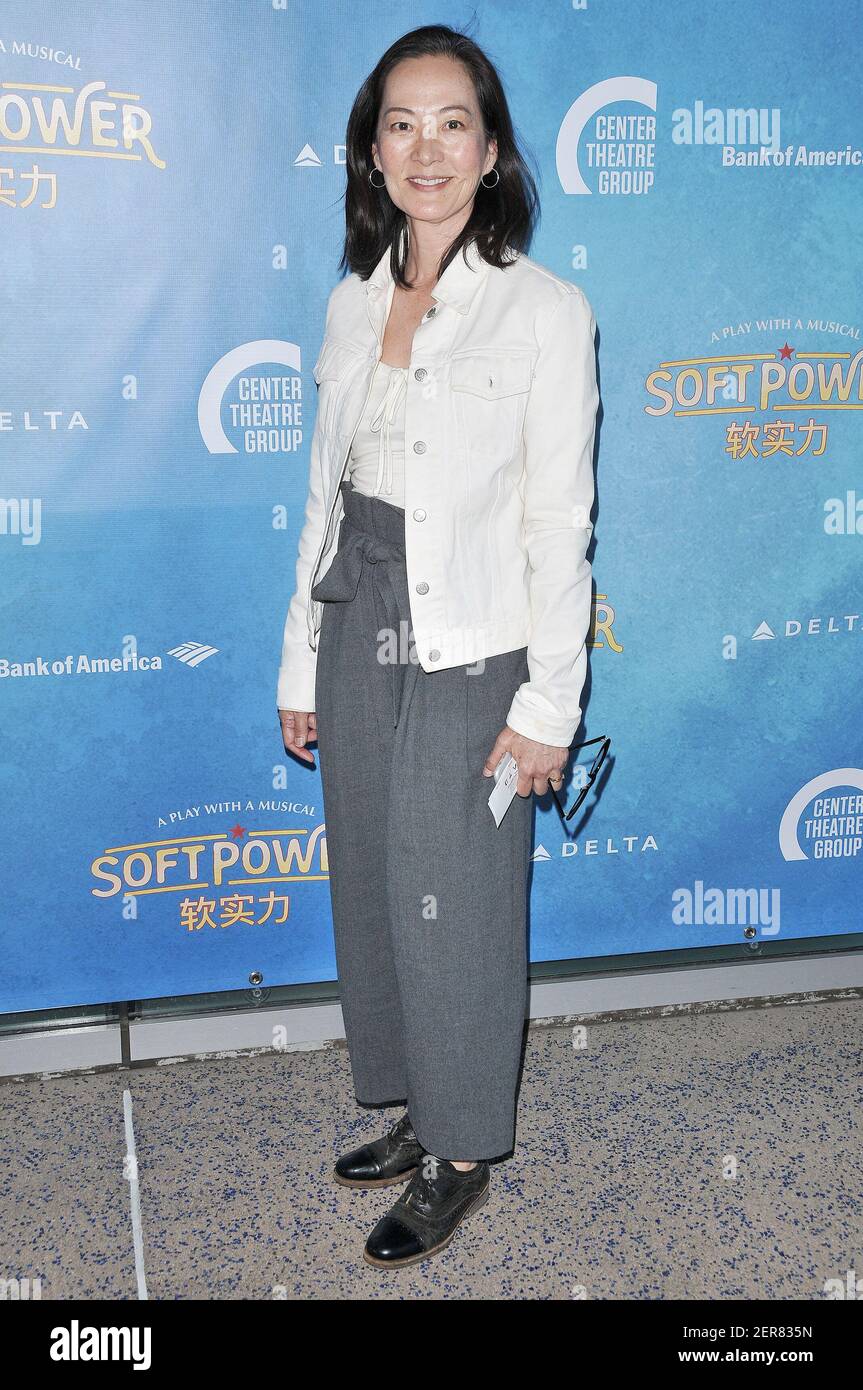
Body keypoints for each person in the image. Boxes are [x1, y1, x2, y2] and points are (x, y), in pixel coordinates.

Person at [277, 23, 600, 1270]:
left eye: (451, 122)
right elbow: (323, 502)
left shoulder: (542, 309)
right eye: (401, 123)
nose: (426, 147)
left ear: (492, 147)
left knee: (457, 902)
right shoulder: (351, 301)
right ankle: (417, 1107)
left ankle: (464, 1151)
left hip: (474, 644)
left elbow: (557, 521)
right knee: (375, 882)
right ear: (371, 150)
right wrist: (300, 664)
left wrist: (547, 707)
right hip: (359, 620)